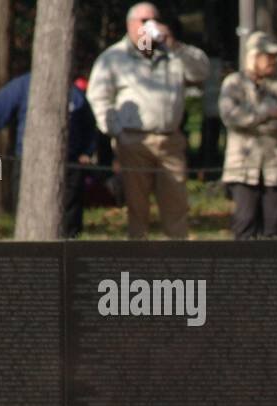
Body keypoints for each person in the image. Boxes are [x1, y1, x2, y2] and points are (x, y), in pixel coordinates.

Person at [86, 3, 209, 239]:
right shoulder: (113, 57)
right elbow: (98, 97)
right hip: (133, 140)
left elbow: (201, 71)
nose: (150, 25)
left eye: (155, 19)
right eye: (144, 21)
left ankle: (178, 254)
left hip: (170, 141)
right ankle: (138, 254)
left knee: (176, 204)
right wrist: (116, 130)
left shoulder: (173, 54)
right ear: (130, 25)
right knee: (137, 205)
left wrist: (174, 44)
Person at [0, 69, 98, 239]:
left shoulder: (74, 92)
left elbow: (89, 126)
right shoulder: (23, 86)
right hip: (28, 164)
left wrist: (86, 151)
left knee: (69, 222)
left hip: (68, 165)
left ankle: (68, 250)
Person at [219, 32, 277, 239]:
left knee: (276, 225)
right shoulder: (234, 83)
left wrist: (252, 120)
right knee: (245, 222)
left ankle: (275, 259)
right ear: (253, 56)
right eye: (268, 56)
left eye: (275, 56)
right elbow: (231, 117)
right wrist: (267, 113)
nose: (274, 61)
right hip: (242, 165)